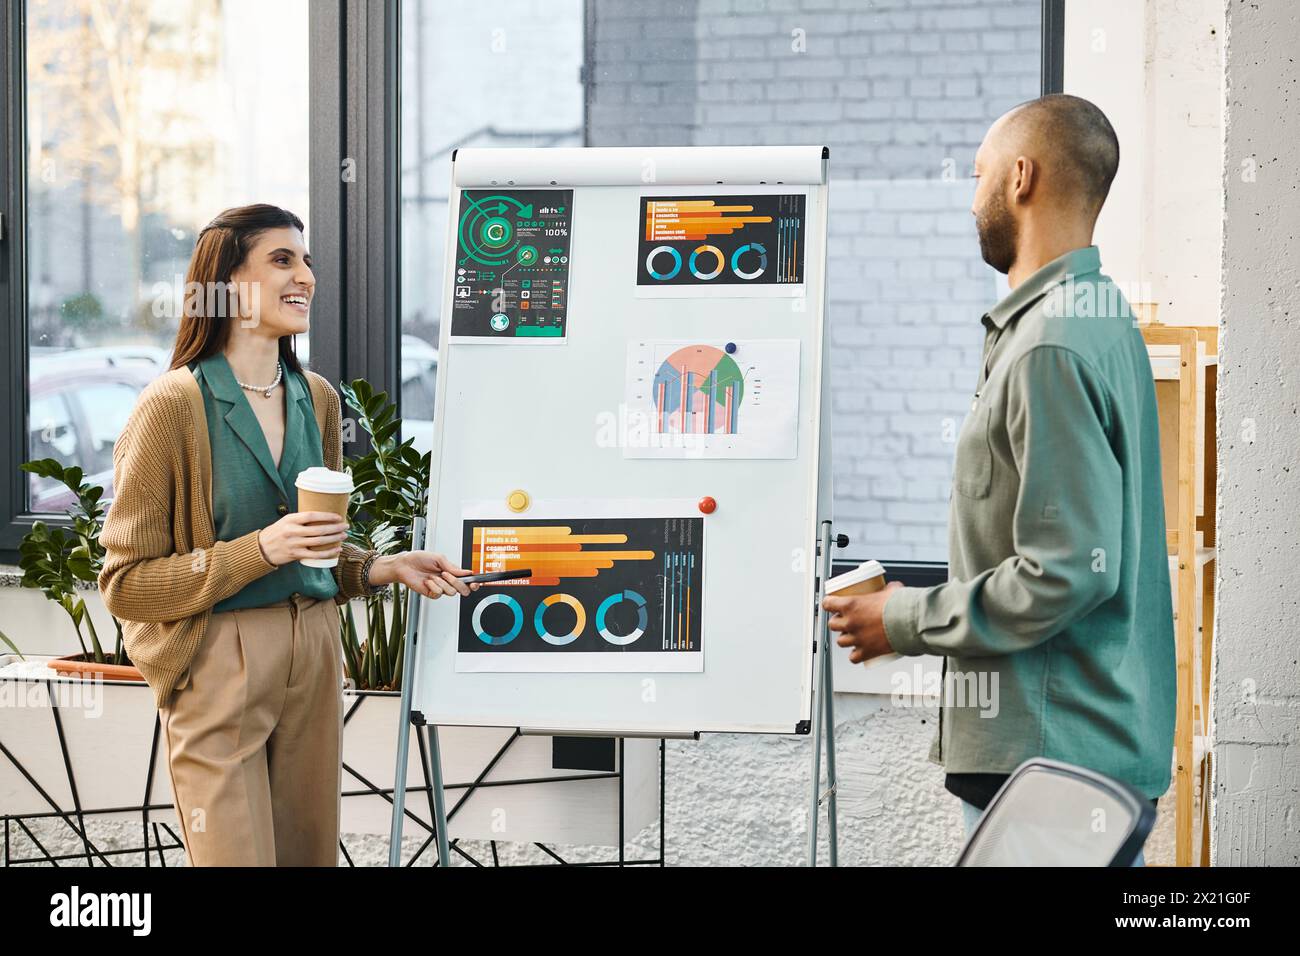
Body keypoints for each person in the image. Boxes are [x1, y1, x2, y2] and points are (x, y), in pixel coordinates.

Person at [823, 95, 1174, 866]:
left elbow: (1065, 573)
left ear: (1021, 178)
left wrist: (902, 619)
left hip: (1048, 772)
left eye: (978, 174)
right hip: (1073, 758)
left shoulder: (1050, 344)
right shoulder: (1097, 314)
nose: (970, 196)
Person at [98, 204, 478, 866]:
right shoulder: (172, 405)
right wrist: (261, 549)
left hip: (315, 649)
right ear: (227, 282)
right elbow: (126, 586)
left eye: (306, 261)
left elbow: (314, 549)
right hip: (218, 655)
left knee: (309, 853)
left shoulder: (317, 398)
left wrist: (381, 568)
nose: (305, 275)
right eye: (281, 260)